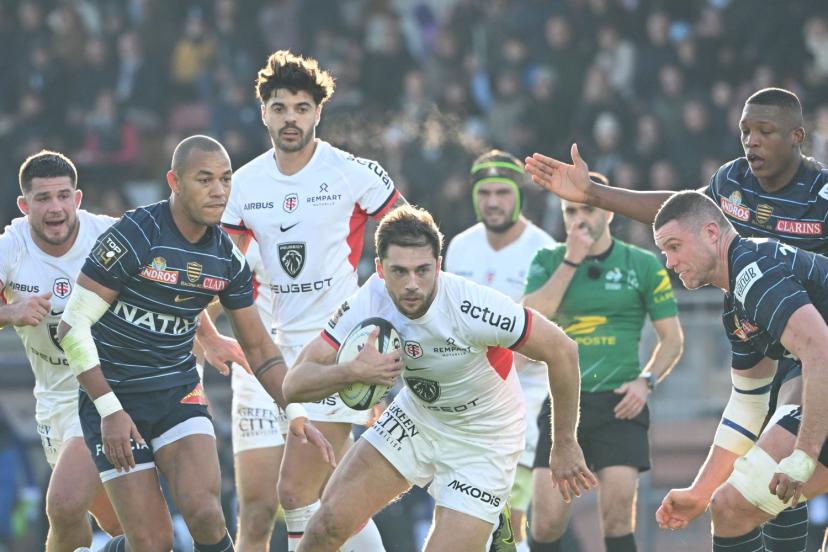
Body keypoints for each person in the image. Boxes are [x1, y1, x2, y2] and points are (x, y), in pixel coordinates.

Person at [525, 87, 827, 548]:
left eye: (765, 131)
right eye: (745, 131)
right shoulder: (732, 213)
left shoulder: (760, 262)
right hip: (796, 348)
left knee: (750, 497)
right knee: (749, 498)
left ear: (798, 136)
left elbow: (817, 345)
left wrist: (804, 454)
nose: (752, 142)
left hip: (811, 350)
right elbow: (681, 211)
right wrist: (596, 195)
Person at [56, 135, 334, 552]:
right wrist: (109, 410)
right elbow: (71, 328)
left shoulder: (227, 258)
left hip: (176, 392)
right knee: (151, 545)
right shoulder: (135, 233)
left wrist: (292, 409)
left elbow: (258, 348)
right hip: (114, 397)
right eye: (204, 179)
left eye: (225, 179)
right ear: (175, 181)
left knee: (206, 515)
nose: (219, 190)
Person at [280, 204, 597, 552]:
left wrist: (564, 442)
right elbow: (294, 384)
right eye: (399, 271)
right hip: (418, 417)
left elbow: (563, 350)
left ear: (439, 266)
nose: (412, 284)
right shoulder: (369, 299)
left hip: (484, 440)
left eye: (423, 271)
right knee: (326, 525)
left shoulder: (472, 306)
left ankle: (492, 530)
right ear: (381, 269)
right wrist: (351, 371)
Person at [220, 50, 405, 551]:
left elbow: (410, 237)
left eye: (302, 108)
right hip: (275, 359)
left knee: (296, 490)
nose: (291, 119)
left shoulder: (352, 172)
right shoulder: (244, 184)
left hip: (340, 350)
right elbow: (223, 275)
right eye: (280, 108)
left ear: (318, 113)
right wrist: (197, 329)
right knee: (288, 501)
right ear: (263, 112)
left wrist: (391, 317)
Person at [651, 191, 828, 552]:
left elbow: (820, 349)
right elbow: (748, 403)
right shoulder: (737, 302)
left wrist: (804, 455)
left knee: (732, 506)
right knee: (727, 505)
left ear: (712, 233)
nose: (669, 262)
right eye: (664, 251)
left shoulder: (752, 273)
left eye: (674, 246)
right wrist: (700, 492)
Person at [522, 172, 684, 552]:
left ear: (608, 213)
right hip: (564, 403)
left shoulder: (642, 264)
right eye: (570, 211)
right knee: (545, 523)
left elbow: (673, 339)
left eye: (588, 209)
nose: (579, 219)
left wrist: (646, 382)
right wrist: (571, 261)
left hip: (620, 404)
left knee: (615, 520)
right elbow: (529, 322)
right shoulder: (548, 261)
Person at [0, 150, 123, 552]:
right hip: (52, 400)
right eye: (43, 198)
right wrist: (10, 311)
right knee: (122, 524)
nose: (55, 208)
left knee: (65, 505)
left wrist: (207, 335)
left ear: (78, 199)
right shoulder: (12, 244)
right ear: (24, 205)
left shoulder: (110, 236)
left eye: (63, 196)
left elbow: (165, 280)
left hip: (106, 392)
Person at [444, 149, 557, 547]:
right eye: (485, 192)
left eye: (502, 192)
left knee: (511, 508)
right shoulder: (458, 247)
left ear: (520, 196)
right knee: (466, 505)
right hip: (467, 392)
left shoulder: (544, 250)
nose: (493, 201)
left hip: (525, 392)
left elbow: (540, 337)